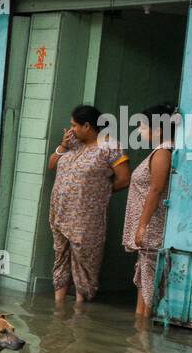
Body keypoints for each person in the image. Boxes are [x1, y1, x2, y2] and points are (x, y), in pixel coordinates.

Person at [47, 104, 130, 305]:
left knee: (85, 258)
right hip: (60, 212)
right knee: (61, 256)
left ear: (87, 126)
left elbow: (124, 178)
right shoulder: (72, 143)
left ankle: (79, 307)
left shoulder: (110, 146)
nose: (71, 129)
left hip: (86, 216)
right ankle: (58, 304)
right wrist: (63, 146)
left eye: (74, 125)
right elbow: (52, 165)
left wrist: (97, 193)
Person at [123, 104, 176, 318]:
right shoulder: (158, 151)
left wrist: (142, 226)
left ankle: (143, 339)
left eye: (142, 126)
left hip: (152, 229)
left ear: (159, 129)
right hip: (148, 229)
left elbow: (155, 190)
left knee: (149, 286)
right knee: (144, 279)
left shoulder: (163, 152)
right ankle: (140, 334)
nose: (139, 131)